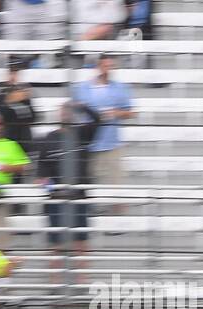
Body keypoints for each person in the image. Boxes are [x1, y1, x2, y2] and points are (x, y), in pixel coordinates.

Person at [36, 100, 102, 282]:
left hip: (79, 198)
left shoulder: (82, 133)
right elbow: (41, 175)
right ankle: (55, 285)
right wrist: (50, 188)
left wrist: (82, 106)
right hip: (56, 200)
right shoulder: (48, 138)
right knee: (56, 245)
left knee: (81, 243)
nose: (65, 114)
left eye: (69, 111)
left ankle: (82, 284)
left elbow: (98, 119)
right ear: (58, 115)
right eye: (63, 111)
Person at [71, 55, 135, 210]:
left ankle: (118, 221)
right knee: (88, 181)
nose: (108, 70)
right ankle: (89, 214)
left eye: (110, 66)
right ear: (98, 67)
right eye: (105, 66)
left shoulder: (120, 88)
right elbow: (74, 110)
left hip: (111, 143)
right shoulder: (82, 88)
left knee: (117, 185)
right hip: (89, 143)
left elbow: (130, 112)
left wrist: (116, 113)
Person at [0, 60, 37, 164]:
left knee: (21, 173)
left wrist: (17, 100)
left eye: (15, 73)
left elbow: (33, 117)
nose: (13, 76)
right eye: (11, 73)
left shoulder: (24, 93)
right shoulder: (2, 93)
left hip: (24, 138)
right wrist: (12, 99)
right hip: (9, 138)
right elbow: (3, 114)